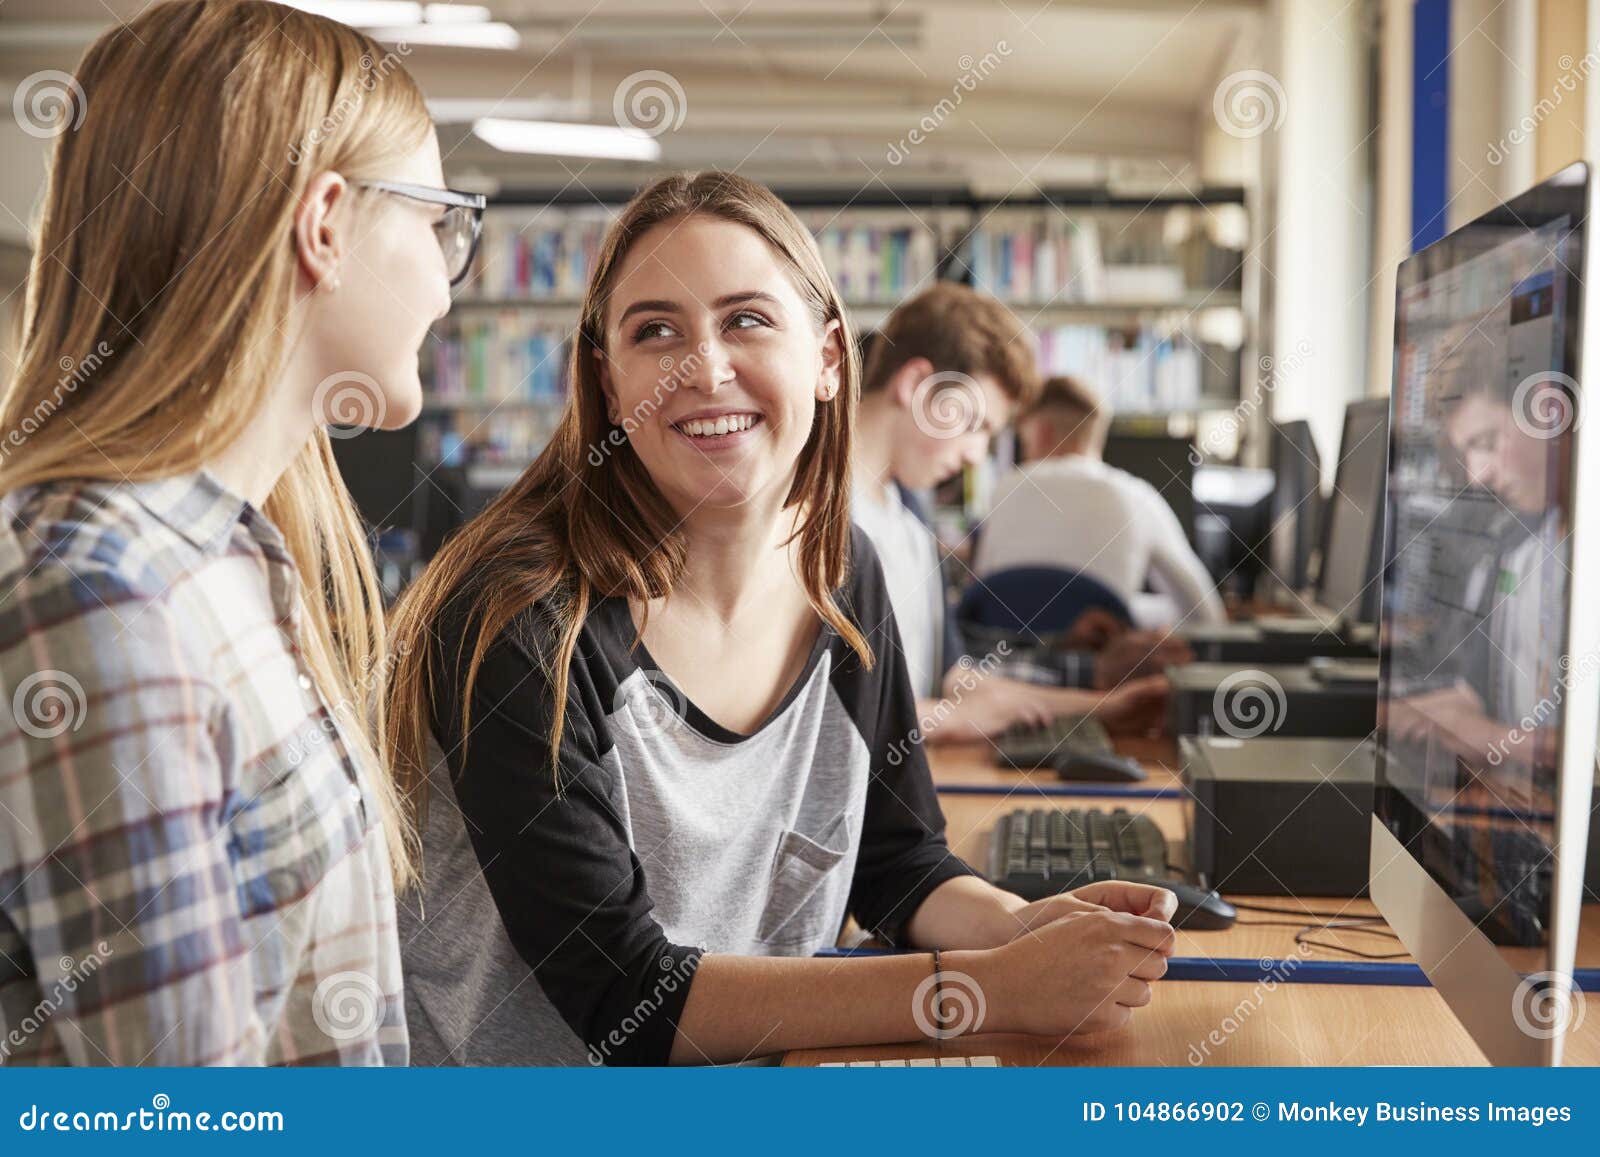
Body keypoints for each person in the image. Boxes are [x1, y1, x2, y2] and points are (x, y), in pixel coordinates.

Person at [385, 171, 1176, 1066]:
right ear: (607, 383)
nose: (704, 367)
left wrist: (1021, 927)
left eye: (747, 319)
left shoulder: (842, 573)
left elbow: (898, 861)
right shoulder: (521, 617)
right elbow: (621, 998)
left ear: (830, 357)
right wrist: (990, 988)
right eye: (655, 332)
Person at [0, 0, 471, 1064]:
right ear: (325, 225)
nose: (447, 286)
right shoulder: (103, 591)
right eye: (438, 222)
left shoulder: (239, 556)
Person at [852, 288, 1181, 743]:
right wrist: (953, 719)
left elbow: (959, 684)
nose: (976, 455)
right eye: (976, 426)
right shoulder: (808, 516)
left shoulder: (907, 520)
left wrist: (1104, 708)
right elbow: (828, 718)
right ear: (916, 387)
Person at [972, 374, 1225, 629]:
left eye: (1024, 441)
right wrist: (1126, 608)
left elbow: (982, 591)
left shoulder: (1004, 488)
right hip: (1100, 662)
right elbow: (1205, 611)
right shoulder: (1138, 496)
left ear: (1042, 431)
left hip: (1001, 660)